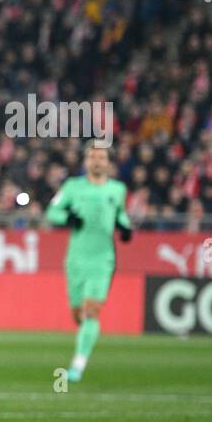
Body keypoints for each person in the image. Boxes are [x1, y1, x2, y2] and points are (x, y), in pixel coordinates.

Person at [45, 141, 131, 383]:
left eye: (101, 157)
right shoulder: (72, 187)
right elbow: (52, 212)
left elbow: (120, 214)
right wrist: (68, 217)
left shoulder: (117, 190)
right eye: (93, 156)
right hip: (76, 260)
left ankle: (77, 365)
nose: (97, 161)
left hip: (102, 259)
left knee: (91, 311)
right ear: (86, 161)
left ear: (108, 163)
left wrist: (125, 227)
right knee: (77, 314)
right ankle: (82, 346)